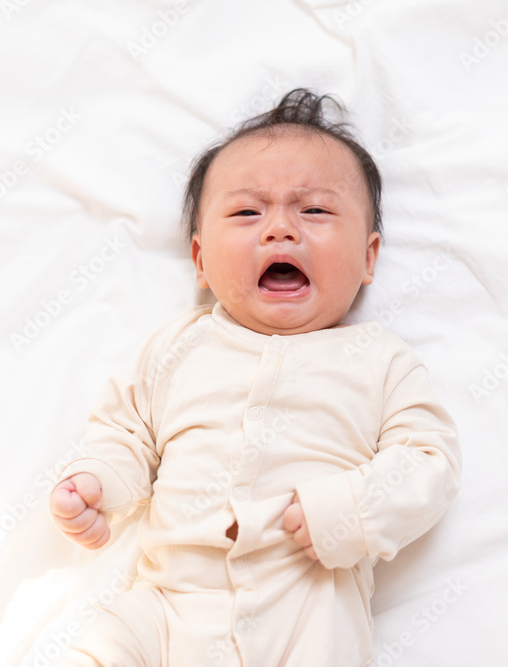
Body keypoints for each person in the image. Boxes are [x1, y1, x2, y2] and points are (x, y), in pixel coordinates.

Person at [48, 88, 462, 667]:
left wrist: (349, 509)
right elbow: (126, 431)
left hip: (308, 598)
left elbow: (429, 461)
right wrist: (98, 483)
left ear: (369, 259)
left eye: (314, 210)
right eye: (247, 212)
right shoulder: (178, 347)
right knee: (105, 644)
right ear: (200, 261)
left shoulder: (378, 359)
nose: (280, 230)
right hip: (170, 604)